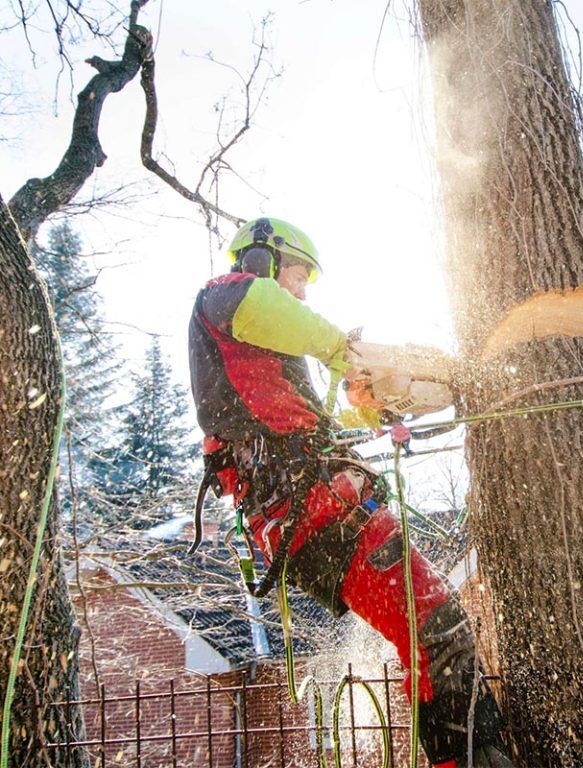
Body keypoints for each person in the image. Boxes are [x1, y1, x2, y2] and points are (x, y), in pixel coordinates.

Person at [188, 217, 514, 768]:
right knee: (437, 629)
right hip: (313, 511)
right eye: (297, 276)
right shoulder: (225, 297)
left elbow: (313, 427)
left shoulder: (264, 358)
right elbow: (272, 311)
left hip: (317, 509)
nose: (301, 291)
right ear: (263, 259)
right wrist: (345, 351)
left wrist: (373, 411)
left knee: (433, 631)